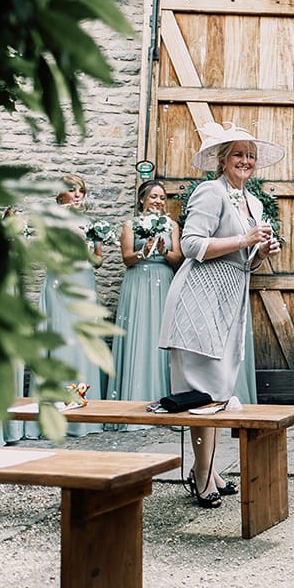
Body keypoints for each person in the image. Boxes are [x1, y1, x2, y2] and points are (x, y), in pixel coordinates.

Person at [159, 123, 284, 508]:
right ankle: (201, 477)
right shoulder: (209, 192)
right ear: (221, 160)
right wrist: (245, 239)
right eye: (237, 154)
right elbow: (192, 244)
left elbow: (243, 258)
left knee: (220, 386)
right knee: (204, 390)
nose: (245, 161)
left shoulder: (254, 203)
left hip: (230, 297)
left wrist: (260, 252)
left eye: (249, 155)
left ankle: (208, 470)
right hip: (200, 294)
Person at [27, 173, 107, 439]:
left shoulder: (91, 223)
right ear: (59, 195)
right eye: (71, 190)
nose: (77, 195)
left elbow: (98, 262)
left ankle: (82, 410)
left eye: (80, 191)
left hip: (84, 284)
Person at [108, 180, 183, 421]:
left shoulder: (172, 225)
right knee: (139, 334)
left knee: (163, 336)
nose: (158, 201)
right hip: (138, 281)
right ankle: (135, 400)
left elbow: (178, 259)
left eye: (162, 197)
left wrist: (163, 252)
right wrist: (144, 251)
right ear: (142, 200)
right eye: (153, 197)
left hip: (164, 279)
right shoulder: (131, 224)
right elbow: (126, 258)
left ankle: (167, 399)